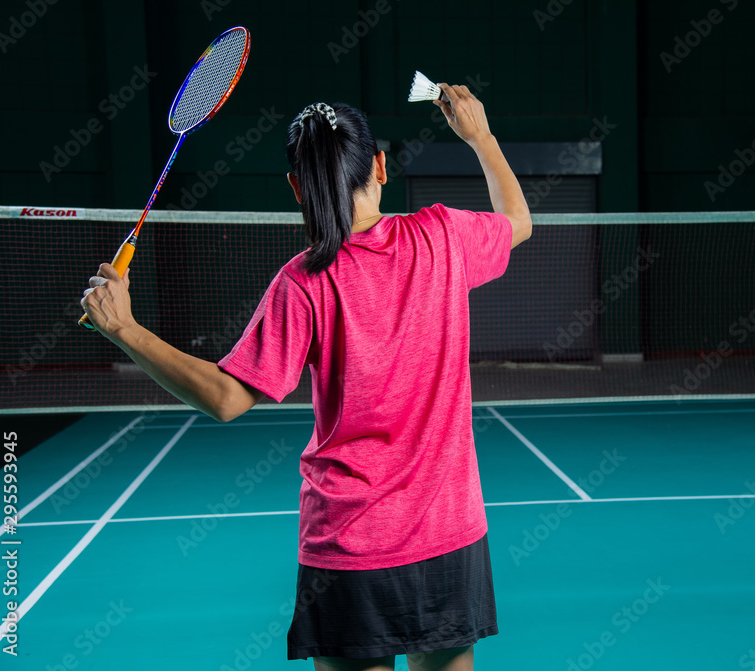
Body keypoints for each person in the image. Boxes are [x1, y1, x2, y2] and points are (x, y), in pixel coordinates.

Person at [80, 83, 531, 671]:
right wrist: (481, 135)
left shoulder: (303, 283)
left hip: (348, 548)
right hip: (447, 538)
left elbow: (225, 398)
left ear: (297, 185)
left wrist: (126, 330)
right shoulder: (444, 237)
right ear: (381, 167)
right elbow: (517, 220)